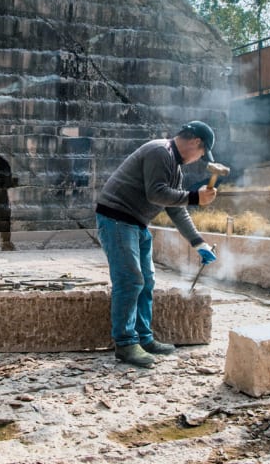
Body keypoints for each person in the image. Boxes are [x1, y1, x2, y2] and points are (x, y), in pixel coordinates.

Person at [95, 121, 219, 368]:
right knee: (130, 280)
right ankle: (126, 343)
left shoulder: (175, 167)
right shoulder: (160, 151)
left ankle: (143, 338)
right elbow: (156, 193)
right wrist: (195, 197)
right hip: (117, 219)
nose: (199, 158)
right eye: (202, 154)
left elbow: (176, 209)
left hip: (137, 223)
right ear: (196, 142)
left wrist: (198, 242)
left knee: (147, 281)